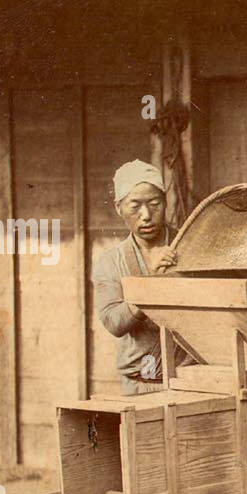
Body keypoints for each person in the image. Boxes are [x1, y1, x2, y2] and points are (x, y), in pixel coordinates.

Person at [92, 159, 179, 396]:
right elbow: (114, 322)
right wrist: (150, 283)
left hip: (191, 382)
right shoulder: (111, 261)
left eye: (154, 203)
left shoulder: (189, 246)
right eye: (135, 206)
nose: (146, 215)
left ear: (166, 201)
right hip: (140, 383)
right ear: (119, 208)